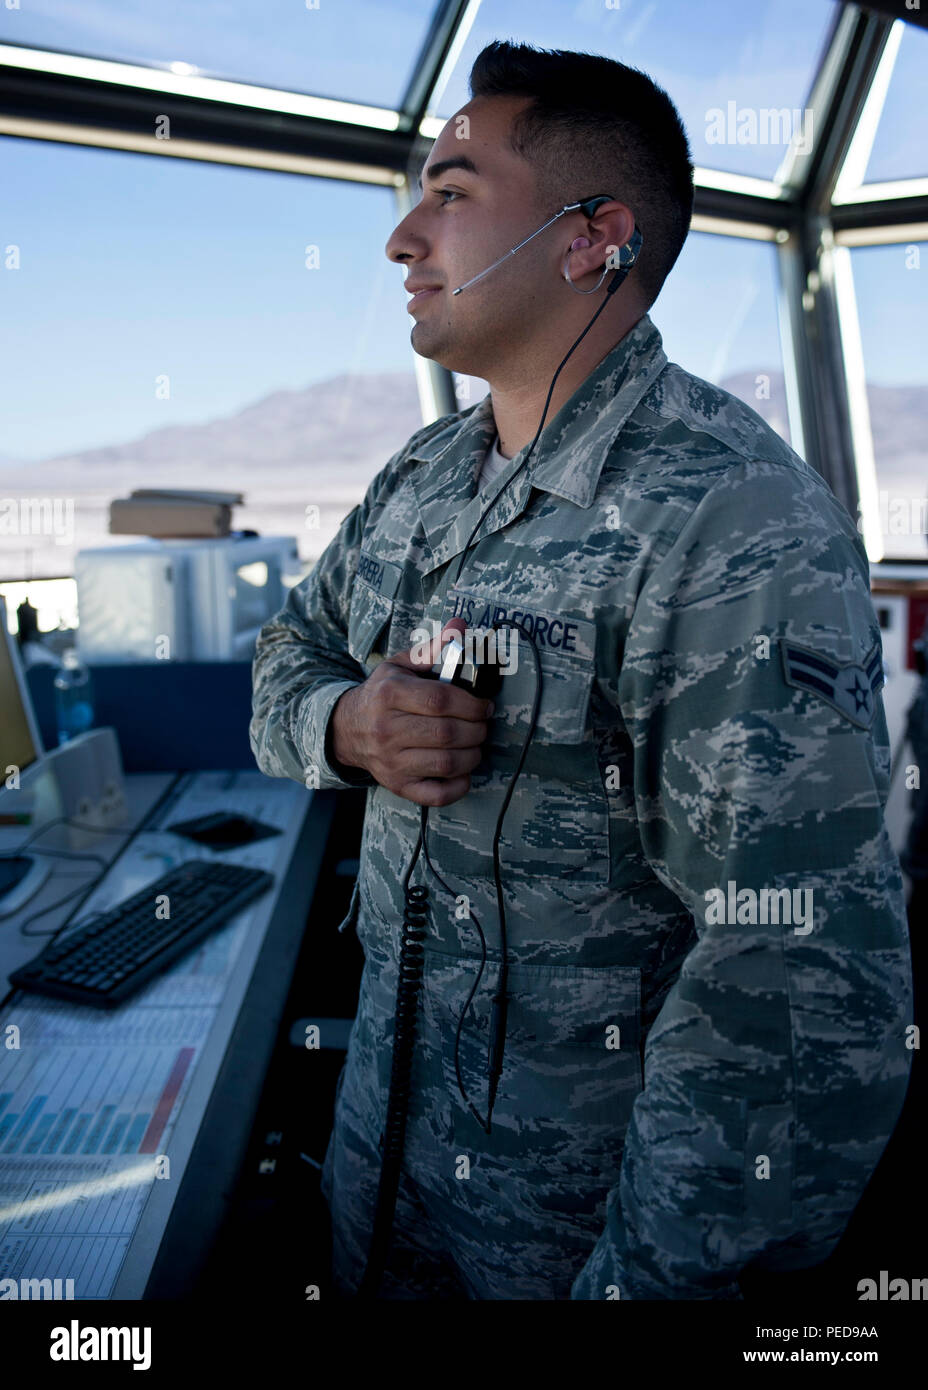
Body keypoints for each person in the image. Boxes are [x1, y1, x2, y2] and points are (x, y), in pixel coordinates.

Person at [249, 41, 912, 1299]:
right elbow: (287, 653)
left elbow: (792, 993)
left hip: (571, 1241)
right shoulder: (419, 481)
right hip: (380, 1181)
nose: (403, 237)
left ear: (591, 236)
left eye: (450, 189)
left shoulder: (731, 519)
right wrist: (347, 724)